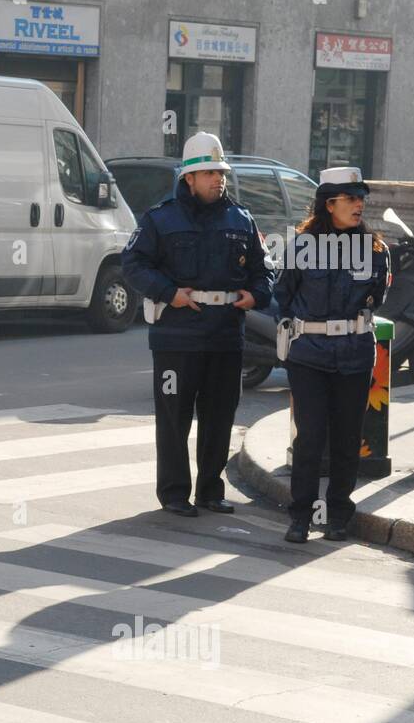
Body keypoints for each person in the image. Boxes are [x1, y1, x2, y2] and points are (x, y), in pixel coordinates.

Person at [122, 132, 273, 516]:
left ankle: (210, 490)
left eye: (220, 172)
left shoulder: (241, 218)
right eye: (208, 172)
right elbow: (134, 264)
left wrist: (257, 294)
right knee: (174, 418)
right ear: (188, 177)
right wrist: (168, 292)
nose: (217, 179)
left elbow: (264, 268)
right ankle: (174, 494)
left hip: (225, 335)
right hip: (177, 336)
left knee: (219, 416)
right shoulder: (161, 218)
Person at [274, 167, 388, 543]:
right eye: (351, 198)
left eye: (361, 198)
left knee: (345, 438)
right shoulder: (301, 246)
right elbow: (283, 296)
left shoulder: (375, 249)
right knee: (309, 438)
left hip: (354, 355)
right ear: (330, 203)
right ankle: (300, 517)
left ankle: (339, 515)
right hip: (309, 356)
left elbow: (377, 299)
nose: (359, 205)